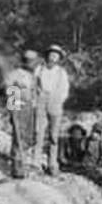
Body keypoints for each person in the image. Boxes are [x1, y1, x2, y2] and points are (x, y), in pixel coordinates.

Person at [33, 45, 70, 176]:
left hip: (55, 101)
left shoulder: (61, 72)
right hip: (41, 99)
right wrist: (37, 99)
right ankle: (36, 163)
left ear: (59, 58)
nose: (53, 56)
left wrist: (59, 100)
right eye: (51, 54)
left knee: (54, 135)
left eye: (56, 55)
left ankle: (52, 164)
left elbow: (65, 89)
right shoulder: (39, 69)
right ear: (47, 55)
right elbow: (34, 84)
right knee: (39, 133)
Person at [2, 49, 40, 177]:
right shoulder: (15, 74)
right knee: (19, 137)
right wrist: (13, 110)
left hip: (29, 108)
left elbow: (34, 93)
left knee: (28, 137)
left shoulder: (32, 76)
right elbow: (8, 89)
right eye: (31, 61)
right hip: (19, 108)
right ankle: (17, 167)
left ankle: (24, 164)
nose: (33, 64)